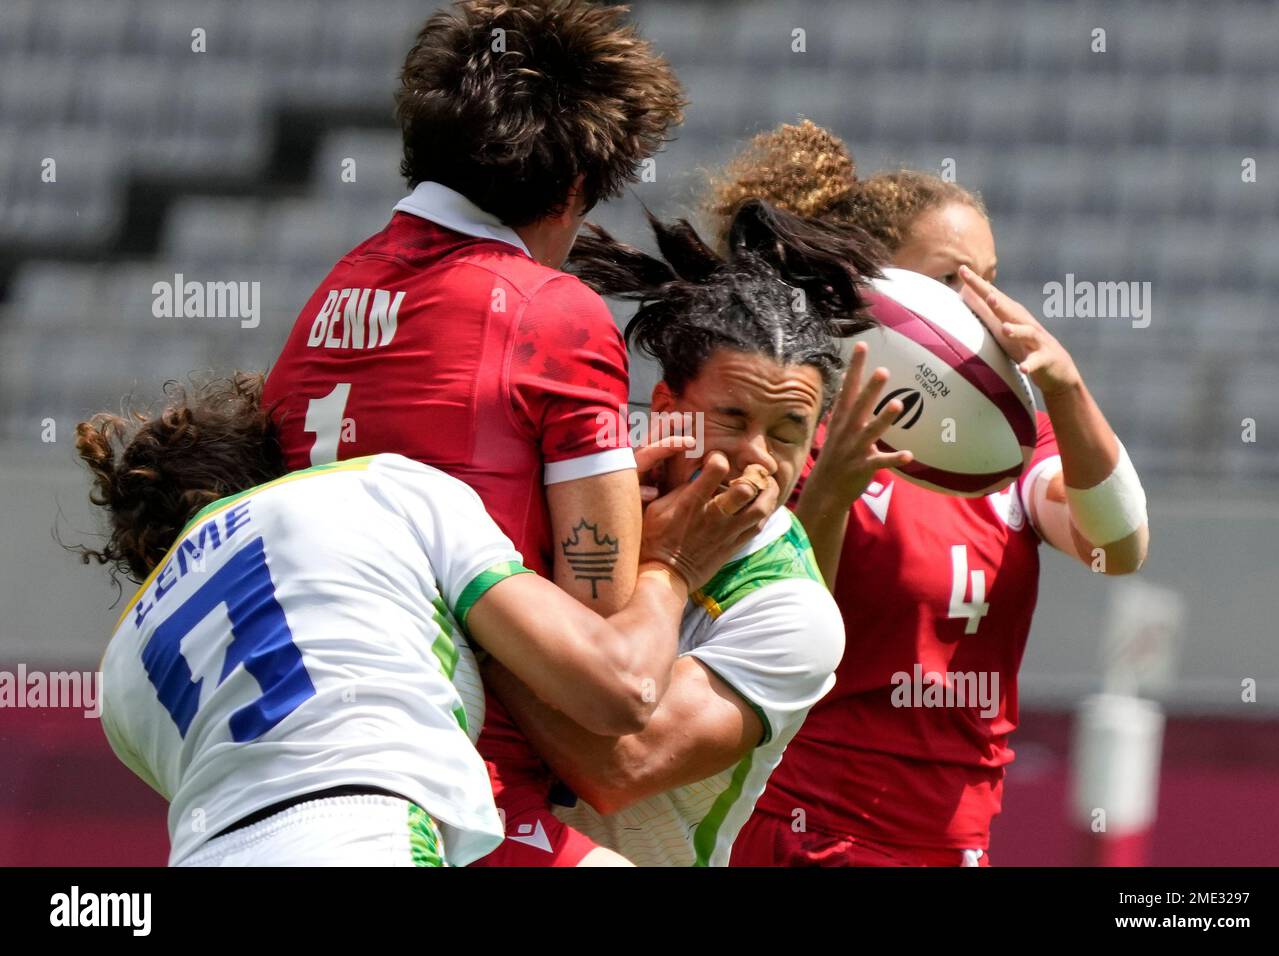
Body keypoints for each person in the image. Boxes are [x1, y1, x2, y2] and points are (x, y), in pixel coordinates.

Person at [259, 0, 687, 865]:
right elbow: (595, 625)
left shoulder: (325, 299)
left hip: (286, 751)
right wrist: (673, 557)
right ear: (572, 189)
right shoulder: (555, 313)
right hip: (452, 782)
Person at [77, 373, 772, 866]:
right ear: (277, 466)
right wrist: (670, 561)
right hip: (363, 835)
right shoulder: (374, 485)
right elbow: (619, 687)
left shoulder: (119, 672)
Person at [710, 121, 1150, 866]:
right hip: (804, 832)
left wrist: (1065, 388)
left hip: (956, 845)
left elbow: (1120, 547)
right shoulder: (795, 431)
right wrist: (830, 493)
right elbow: (765, 619)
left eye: (991, 275)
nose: (982, 304)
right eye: (953, 279)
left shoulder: (1014, 451)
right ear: (876, 287)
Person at [484, 199, 905, 866]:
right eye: (733, 419)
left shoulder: (794, 614)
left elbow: (618, 767)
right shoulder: (588, 479)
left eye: (788, 432)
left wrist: (477, 607)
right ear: (667, 410)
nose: (760, 457)